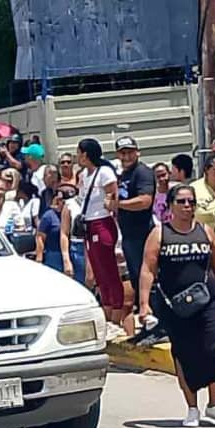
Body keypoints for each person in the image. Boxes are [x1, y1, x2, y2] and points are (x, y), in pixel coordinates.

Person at [138, 184, 215, 428]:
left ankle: (214, 406)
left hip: (208, 301)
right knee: (184, 355)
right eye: (181, 201)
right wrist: (144, 305)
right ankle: (192, 408)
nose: (187, 206)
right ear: (170, 205)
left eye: (191, 201)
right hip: (176, 306)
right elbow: (148, 270)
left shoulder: (205, 231)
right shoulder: (160, 234)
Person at [77, 138, 124, 328]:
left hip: (102, 221)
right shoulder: (83, 175)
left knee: (109, 269)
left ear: (86, 154)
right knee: (98, 271)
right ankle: (106, 310)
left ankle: (117, 313)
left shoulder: (104, 172)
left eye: (79, 152)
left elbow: (113, 197)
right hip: (88, 223)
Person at [114, 136, 155, 303]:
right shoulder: (124, 174)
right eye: (123, 153)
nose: (126, 157)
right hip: (129, 236)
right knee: (136, 279)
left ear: (138, 152)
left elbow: (145, 201)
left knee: (147, 279)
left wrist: (118, 204)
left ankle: (156, 317)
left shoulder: (142, 172)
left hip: (142, 235)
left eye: (130, 152)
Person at [58, 183, 87, 285]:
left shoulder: (98, 202)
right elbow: (64, 233)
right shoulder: (70, 204)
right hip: (77, 248)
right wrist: (66, 260)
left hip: (95, 246)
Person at [35, 192, 65, 272]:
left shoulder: (72, 214)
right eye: (61, 200)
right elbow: (40, 236)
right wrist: (39, 257)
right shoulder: (49, 215)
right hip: (53, 255)